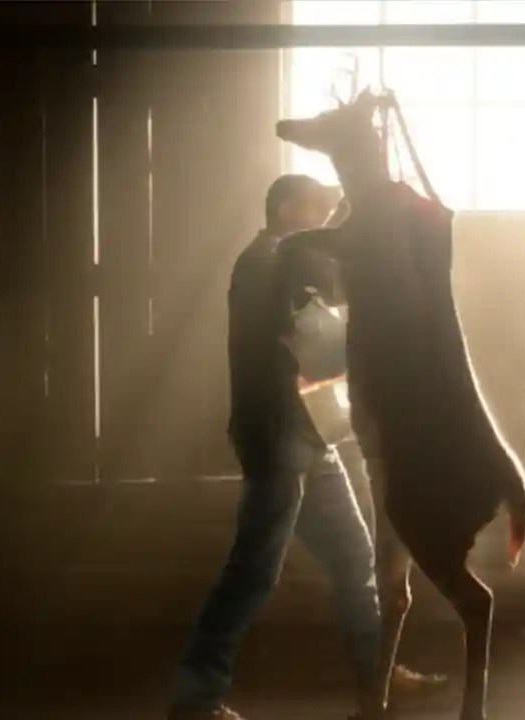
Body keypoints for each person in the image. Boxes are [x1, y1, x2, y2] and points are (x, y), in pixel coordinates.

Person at [168, 175, 445, 720]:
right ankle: (195, 701)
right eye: (317, 209)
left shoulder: (284, 260)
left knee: (353, 558)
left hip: (308, 434)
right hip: (278, 436)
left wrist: (353, 215)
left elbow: (324, 288)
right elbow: (319, 346)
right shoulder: (266, 263)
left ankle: (377, 676)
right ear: (288, 208)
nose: (323, 222)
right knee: (253, 571)